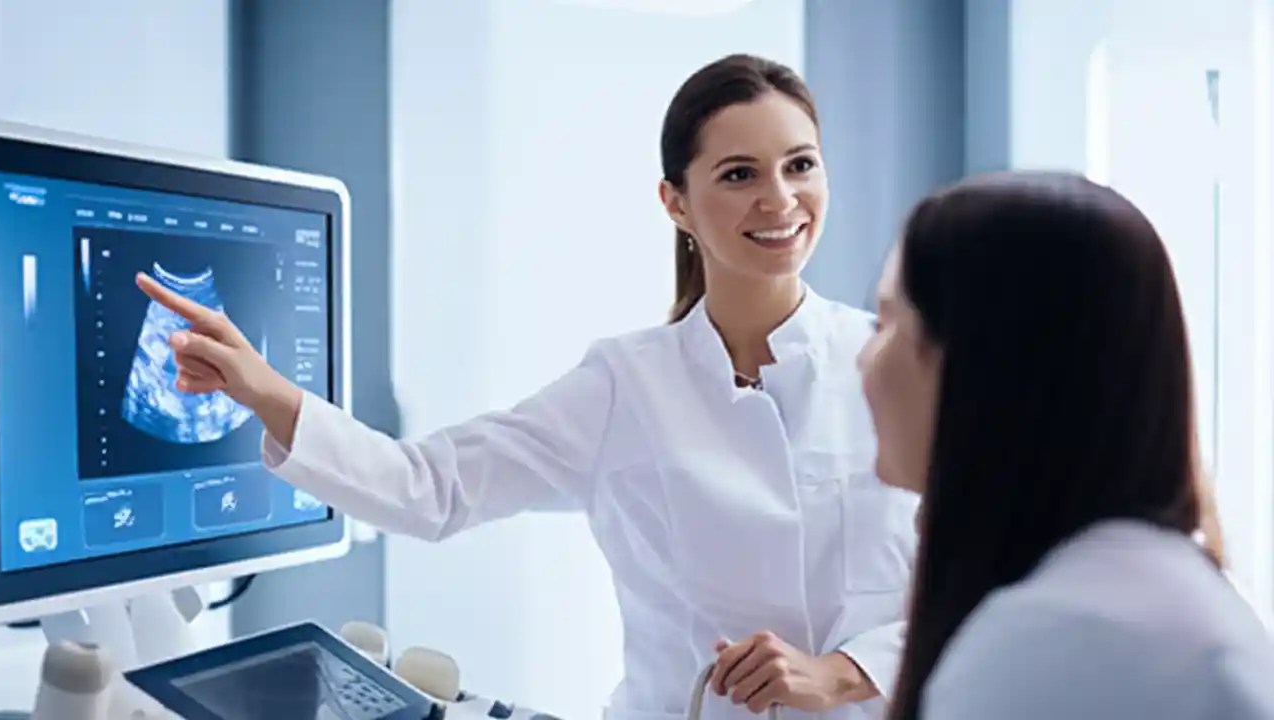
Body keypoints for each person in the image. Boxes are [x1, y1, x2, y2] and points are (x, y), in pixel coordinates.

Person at [135, 54, 918, 719]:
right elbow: (429, 489)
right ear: (675, 202)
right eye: (739, 173)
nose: (779, 200)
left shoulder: (890, 362)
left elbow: (989, 566)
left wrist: (841, 673)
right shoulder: (627, 384)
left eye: (800, 165)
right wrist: (263, 389)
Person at [854, 170, 1274, 720]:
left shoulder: (1059, 642)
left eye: (888, 323)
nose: (865, 358)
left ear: (983, 366)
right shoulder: (1141, 601)